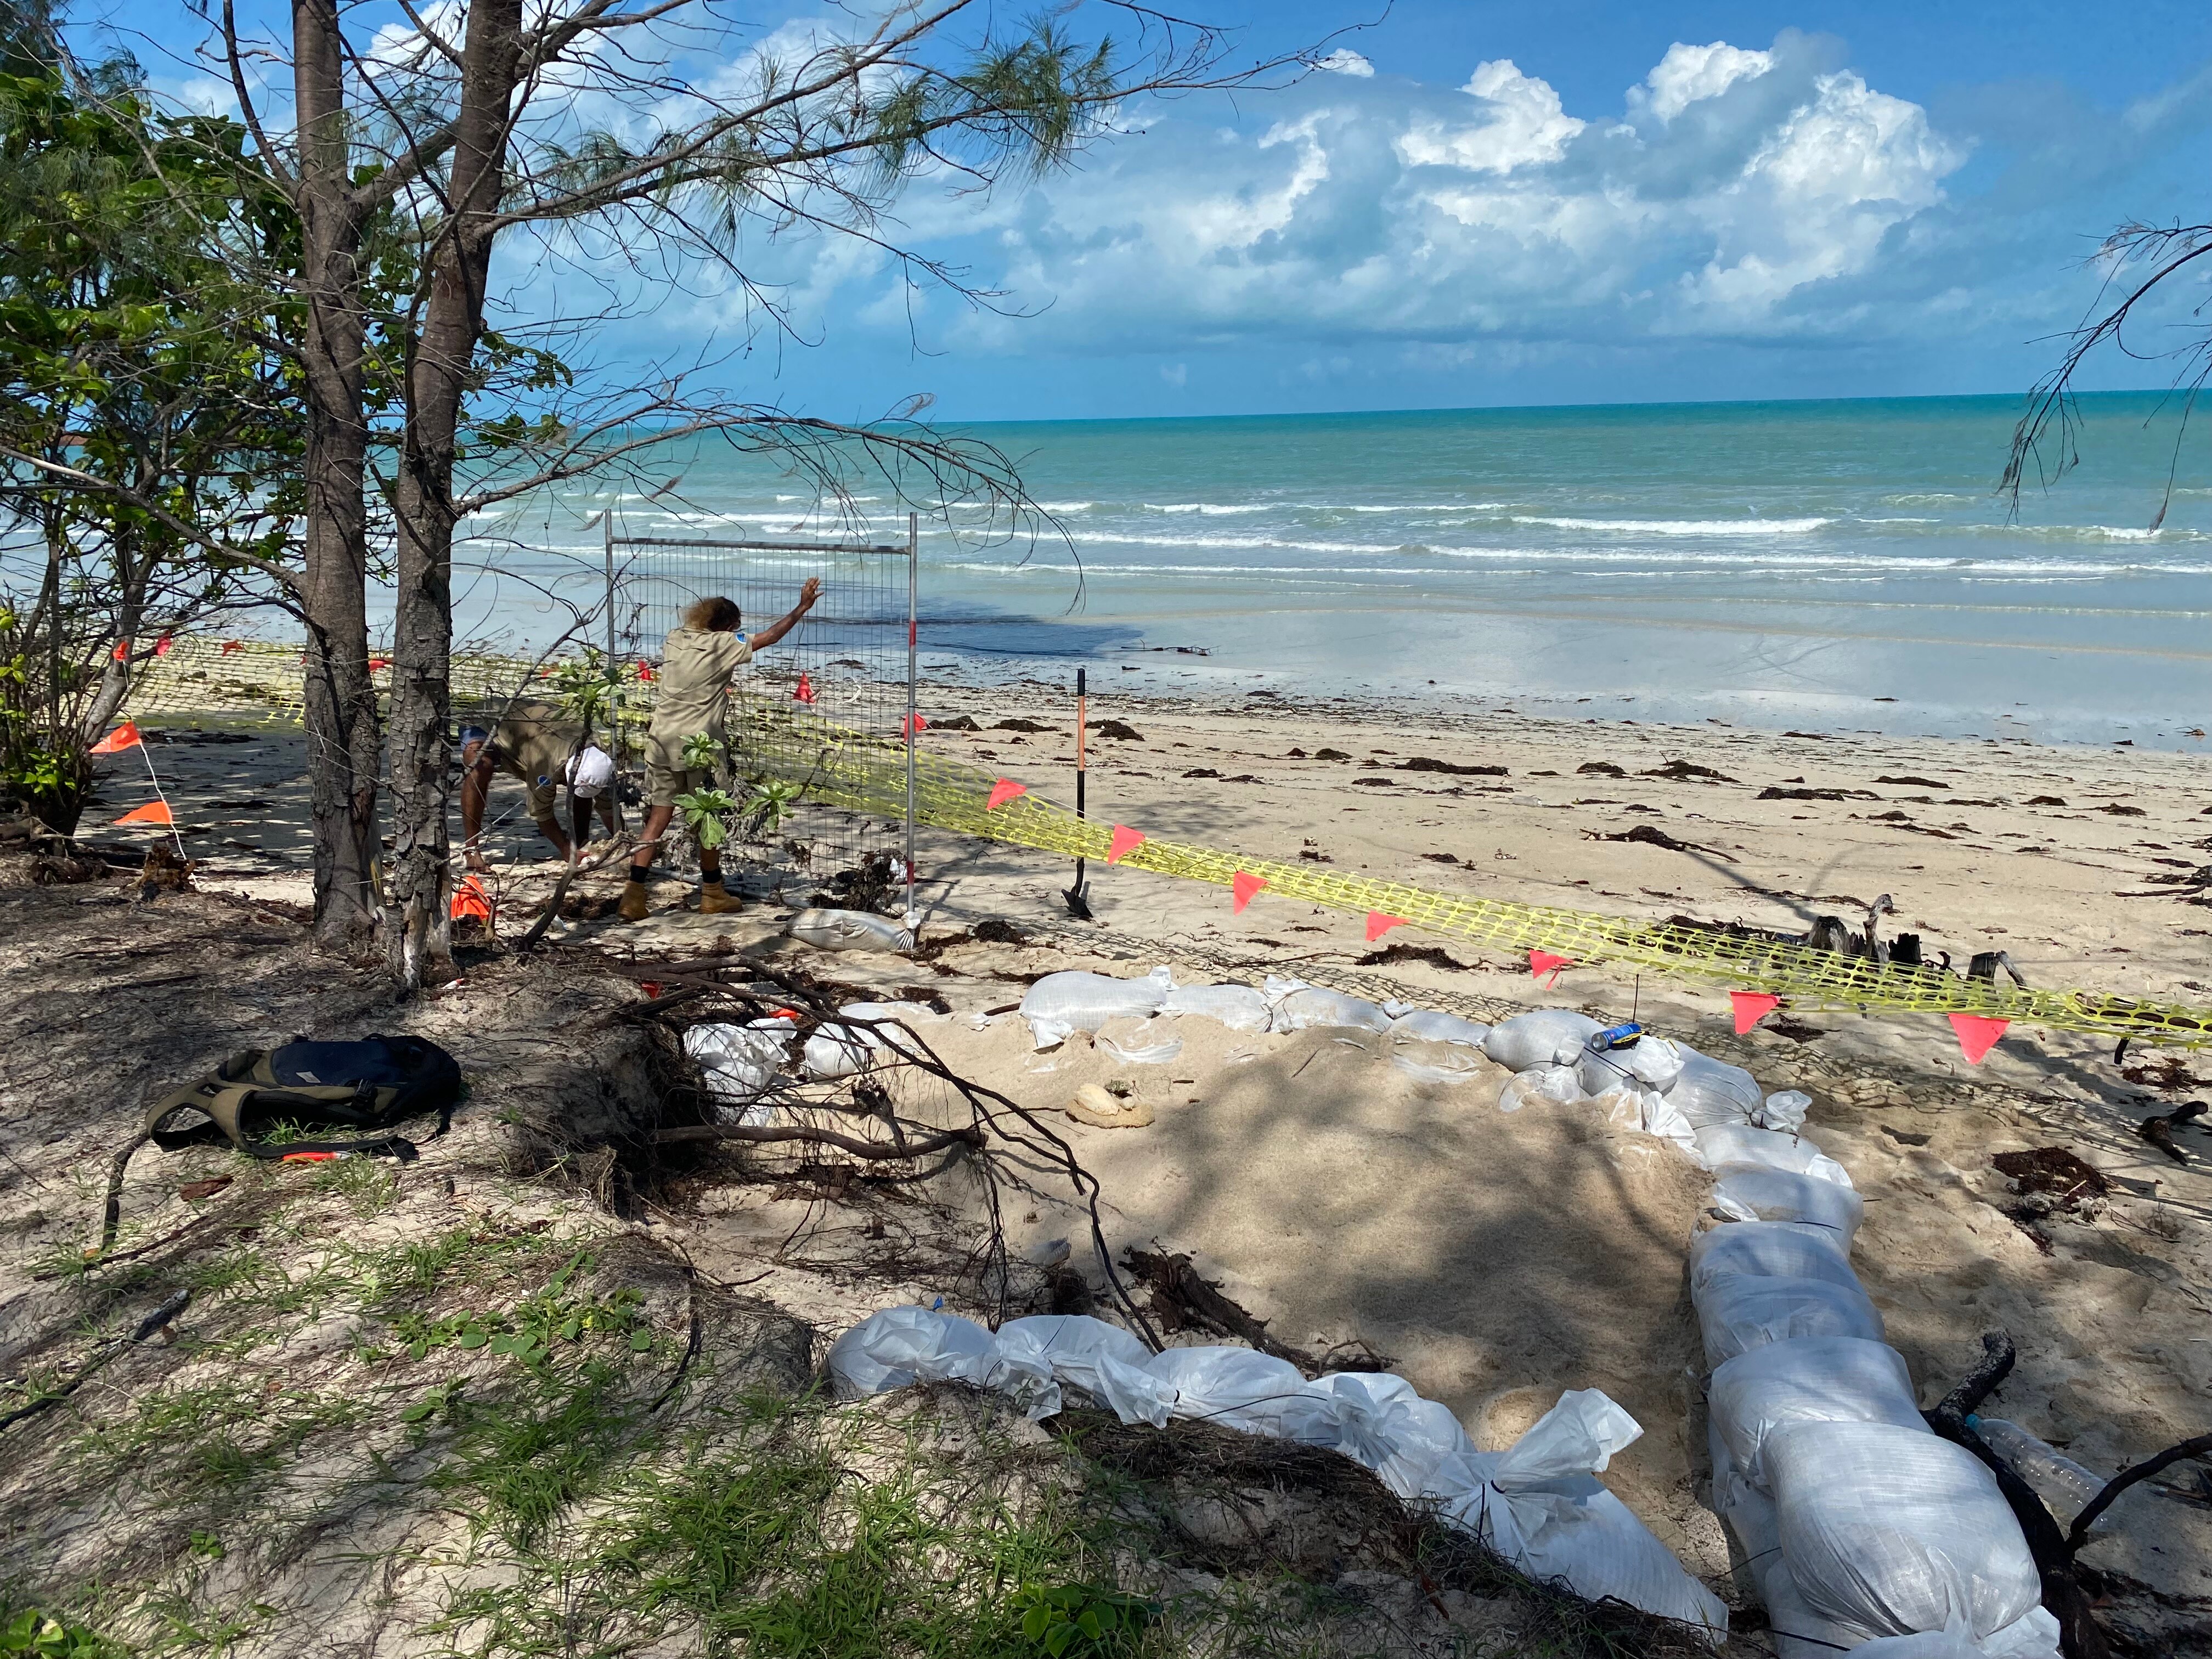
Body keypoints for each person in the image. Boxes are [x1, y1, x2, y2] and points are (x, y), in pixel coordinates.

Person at [620, 580, 821, 921]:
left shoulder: (675, 639)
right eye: (736, 628)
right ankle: (712, 891)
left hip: (660, 740)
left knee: (657, 820)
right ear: (728, 627)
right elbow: (770, 637)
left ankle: (633, 896)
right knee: (708, 818)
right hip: (699, 748)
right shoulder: (724, 644)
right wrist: (801, 608)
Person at [459, 698, 619, 872]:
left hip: (534, 726)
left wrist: (623, 841)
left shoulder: (602, 760)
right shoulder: (546, 764)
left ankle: (579, 842)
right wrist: (563, 848)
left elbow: (609, 809)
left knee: (582, 788)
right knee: (480, 764)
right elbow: (541, 812)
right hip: (485, 720)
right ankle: (471, 848)